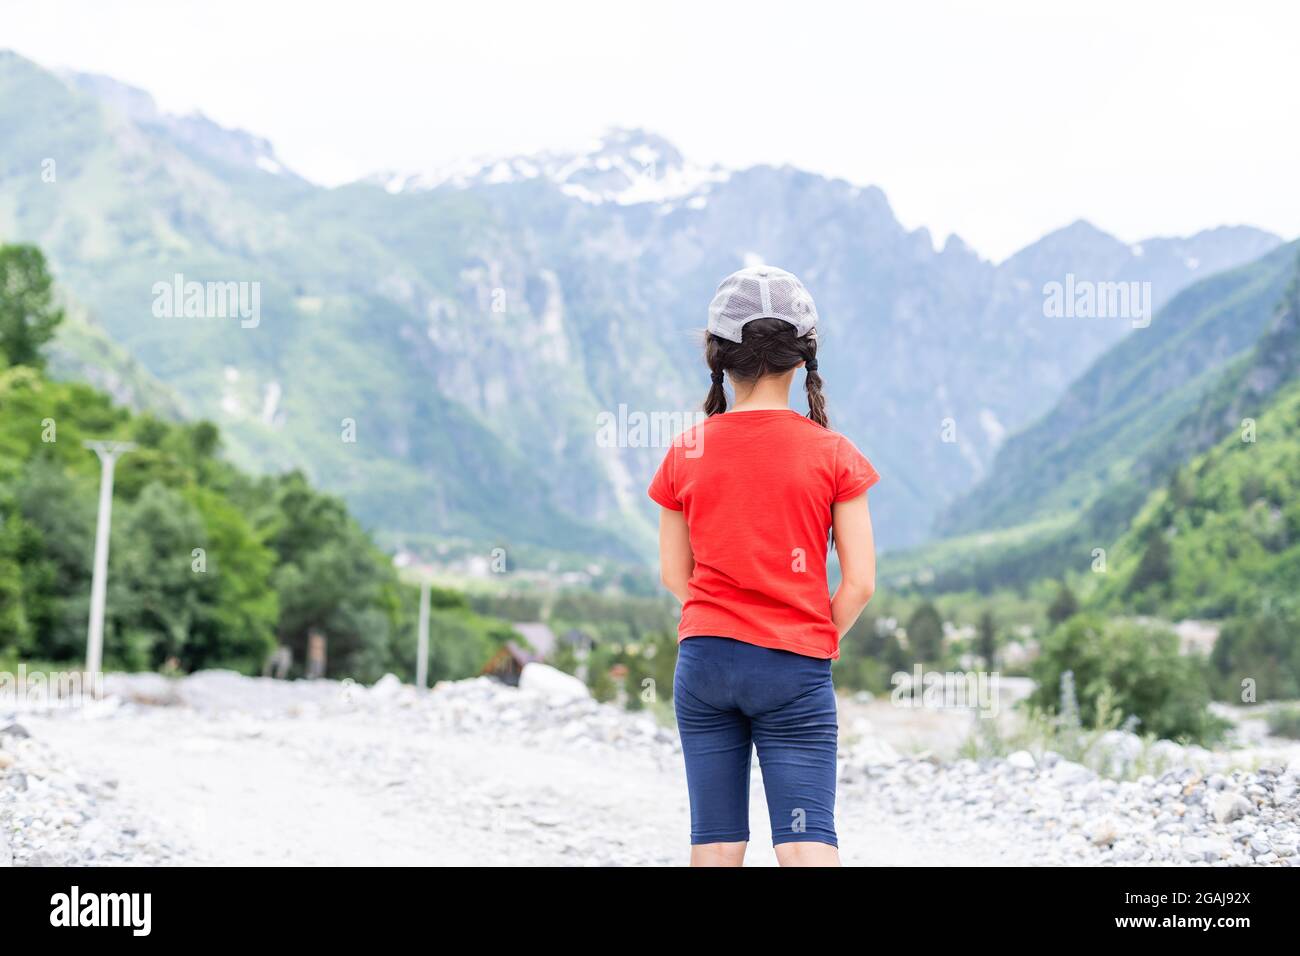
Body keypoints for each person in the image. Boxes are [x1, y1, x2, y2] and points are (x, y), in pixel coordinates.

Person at [649, 266, 879, 867]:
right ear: (803, 358)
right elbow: (859, 582)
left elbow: (675, 575)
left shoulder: (686, 450)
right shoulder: (833, 453)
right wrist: (812, 636)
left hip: (704, 663)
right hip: (791, 667)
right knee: (804, 841)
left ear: (717, 356)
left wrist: (724, 618)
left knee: (716, 840)